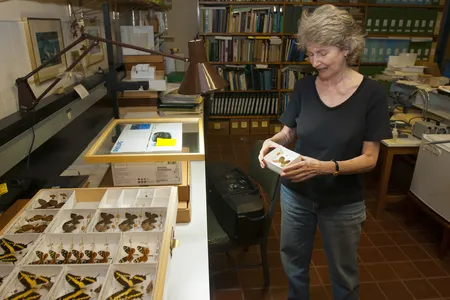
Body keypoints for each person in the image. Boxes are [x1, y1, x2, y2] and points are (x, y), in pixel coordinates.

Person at [258, 4, 392, 300]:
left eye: (323, 53)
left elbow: (370, 159)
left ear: (346, 49)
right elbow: (290, 130)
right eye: (310, 53)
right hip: (296, 195)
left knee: (343, 274)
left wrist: (324, 167)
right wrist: (273, 141)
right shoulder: (305, 87)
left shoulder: (372, 95)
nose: (315, 61)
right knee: (293, 264)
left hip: (342, 202)